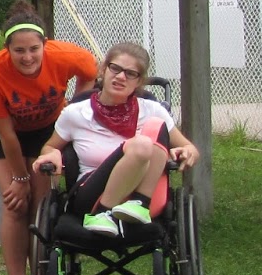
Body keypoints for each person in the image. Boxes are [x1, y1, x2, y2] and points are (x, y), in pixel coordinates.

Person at [0, 0, 97, 275]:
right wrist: (19, 179)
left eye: (33, 49)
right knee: (16, 202)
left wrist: (73, 109)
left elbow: (89, 71)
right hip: (3, 132)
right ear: (7, 50)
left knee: (40, 205)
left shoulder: (67, 55)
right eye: (19, 51)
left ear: (45, 45)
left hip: (46, 128)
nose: (27, 57)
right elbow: (8, 137)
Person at [37, 42, 199, 236]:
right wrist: (52, 153)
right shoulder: (75, 113)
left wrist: (187, 152)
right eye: (115, 68)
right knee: (141, 145)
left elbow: (189, 148)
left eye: (130, 73)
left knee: (155, 127)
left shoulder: (153, 110)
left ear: (139, 81)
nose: (121, 77)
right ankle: (103, 212)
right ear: (103, 70)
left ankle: (140, 202)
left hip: (140, 199)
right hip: (91, 197)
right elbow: (49, 147)